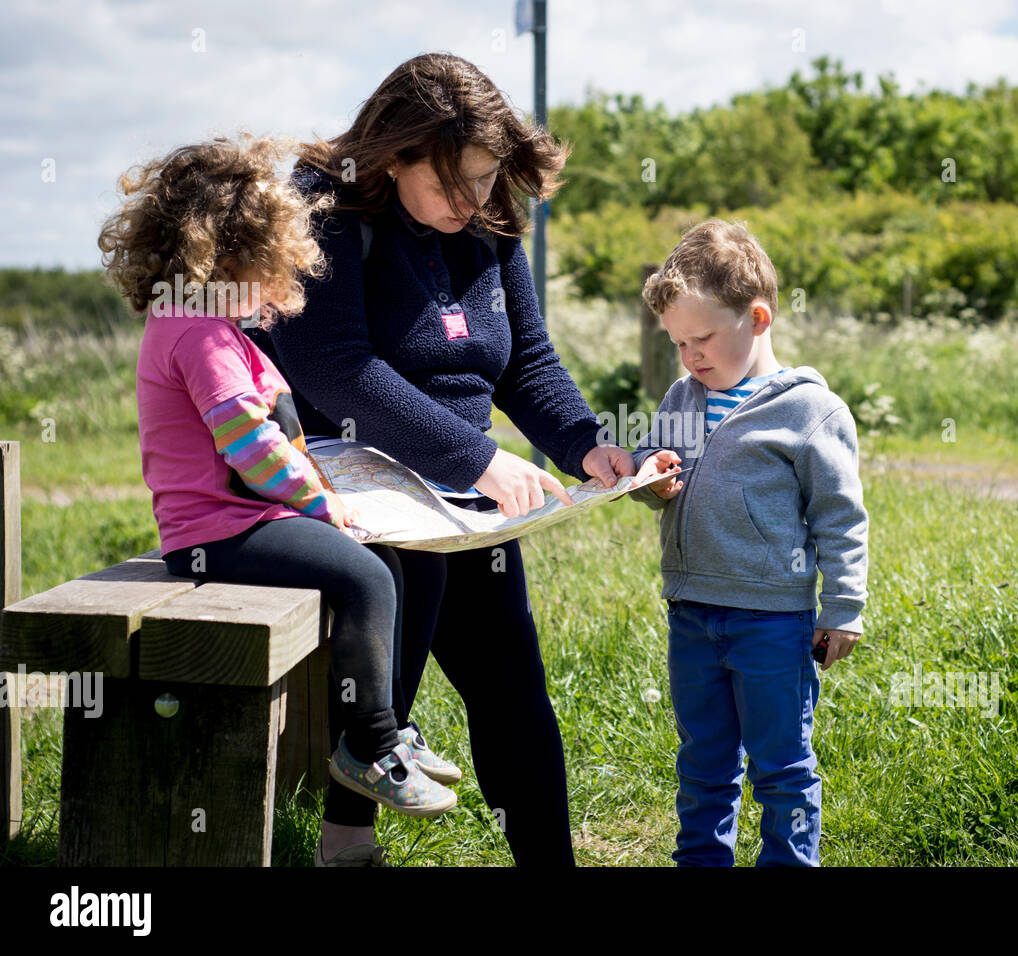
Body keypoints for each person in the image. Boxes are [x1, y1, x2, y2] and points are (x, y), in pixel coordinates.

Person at [245, 53, 634, 866]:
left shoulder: (486, 225)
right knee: (411, 575)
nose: (476, 200)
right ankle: (348, 838)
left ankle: (539, 856)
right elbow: (335, 369)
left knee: (514, 690)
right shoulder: (325, 206)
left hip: (454, 497)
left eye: (489, 179)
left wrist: (587, 445)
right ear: (395, 154)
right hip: (331, 480)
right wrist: (480, 462)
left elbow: (526, 361)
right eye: (456, 182)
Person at [99, 135, 463, 868]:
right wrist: (328, 510)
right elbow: (249, 446)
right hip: (219, 534)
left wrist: (334, 488)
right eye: (272, 262)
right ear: (229, 256)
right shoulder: (197, 331)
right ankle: (371, 744)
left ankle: (382, 734)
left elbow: (275, 439)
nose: (282, 280)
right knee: (364, 574)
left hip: (248, 520)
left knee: (388, 561)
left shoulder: (217, 329)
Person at [628, 219, 870, 866]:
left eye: (702, 337)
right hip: (692, 612)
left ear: (758, 318)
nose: (691, 356)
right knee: (703, 762)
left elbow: (840, 518)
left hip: (773, 621)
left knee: (781, 767)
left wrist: (843, 609)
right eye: (679, 342)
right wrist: (648, 478)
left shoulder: (810, 412)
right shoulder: (683, 395)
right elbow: (657, 461)